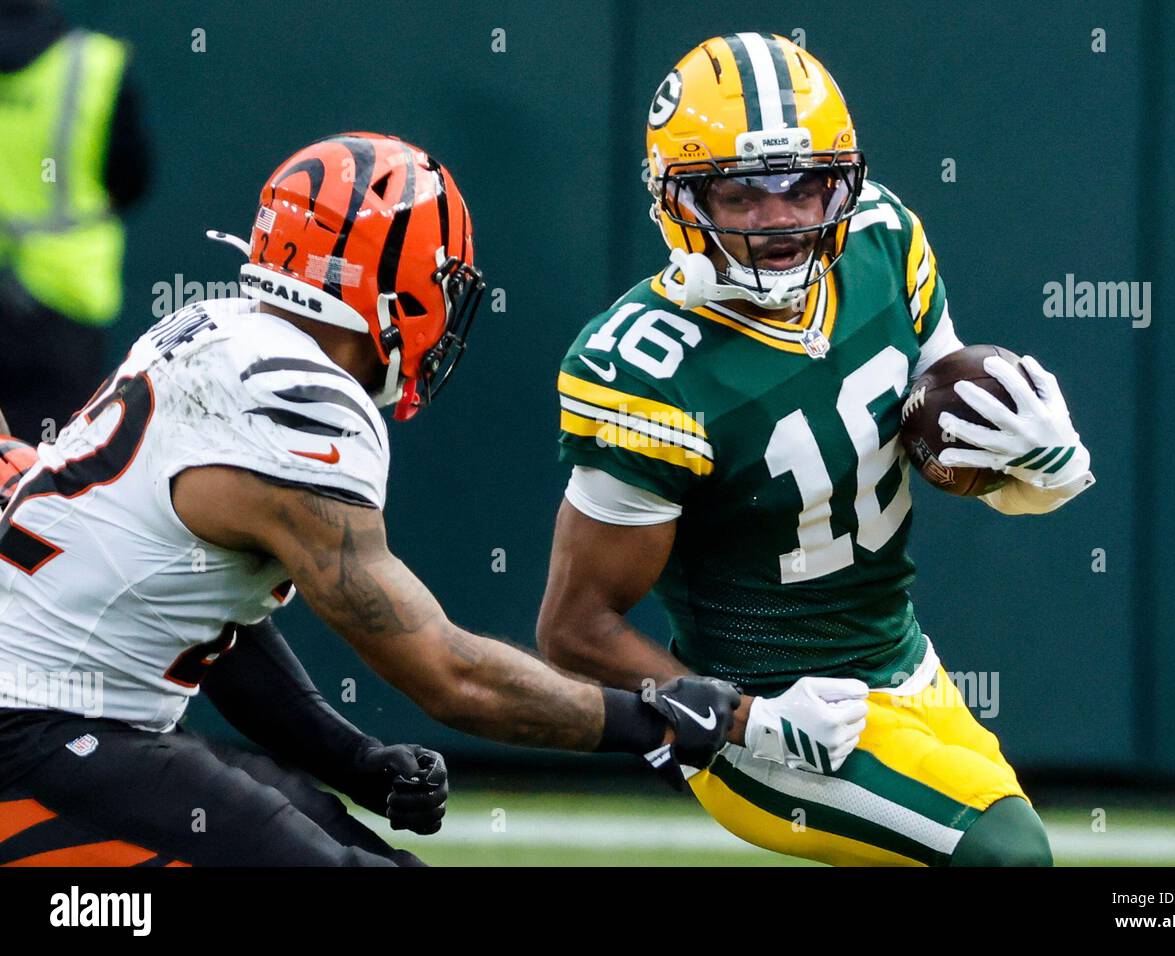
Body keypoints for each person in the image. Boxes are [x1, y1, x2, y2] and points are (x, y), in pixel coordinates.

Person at [0, 132, 740, 866]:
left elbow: (198, 615)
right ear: (394, 289)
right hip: (38, 735)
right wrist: (653, 720)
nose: (449, 312)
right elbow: (454, 677)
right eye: (443, 284)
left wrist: (350, 757)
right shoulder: (300, 405)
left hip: (77, 723)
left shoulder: (212, 332)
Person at [536, 34, 1095, 866]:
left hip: (906, 666)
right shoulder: (646, 371)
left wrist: (1041, 472)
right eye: (740, 193)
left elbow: (942, 437)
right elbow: (573, 628)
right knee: (1008, 856)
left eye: (806, 185)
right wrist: (748, 721)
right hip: (768, 722)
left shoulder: (882, 238)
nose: (782, 219)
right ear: (677, 199)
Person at [0, 0, 152, 444]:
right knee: (46, 474)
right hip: (63, 304)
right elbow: (132, 179)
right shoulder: (95, 65)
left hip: (57, 310)